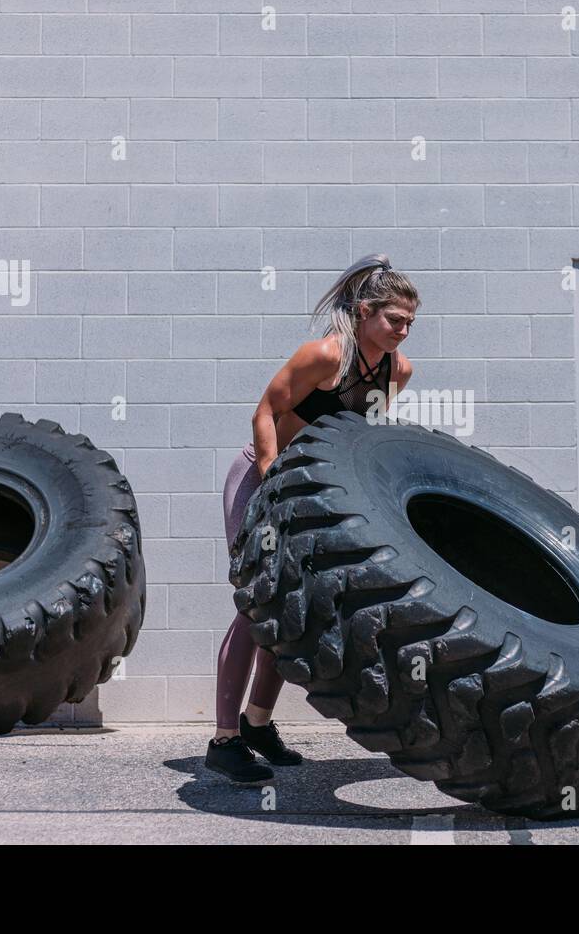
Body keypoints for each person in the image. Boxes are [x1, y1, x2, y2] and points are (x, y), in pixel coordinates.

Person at [205, 254, 418, 782]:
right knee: (256, 606)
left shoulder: (399, 370)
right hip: (261, 476)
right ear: (366, 311)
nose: (402, 331)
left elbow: (356, 438)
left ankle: (257, 724)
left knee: (290, 610)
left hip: (310, 491)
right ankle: (223, 741)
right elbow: (264, 413)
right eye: (394, 320)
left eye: (411, 323)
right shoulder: (324, 355)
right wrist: (275, 480)